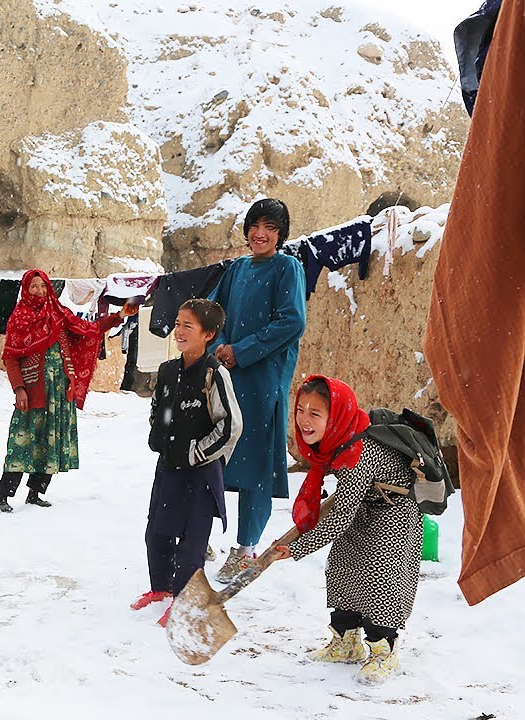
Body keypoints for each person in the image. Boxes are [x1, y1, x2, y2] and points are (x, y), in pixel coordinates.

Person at [272, 376, 421, 685]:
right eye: (300, 410)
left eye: (315, 413)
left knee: (380, 578)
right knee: (343, 568)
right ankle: (346, 643)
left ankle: (384, 651)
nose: (304, 420)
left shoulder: (356, 452)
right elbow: (345, 505)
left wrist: (297, 548)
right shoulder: (336, 441)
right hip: (365, 503)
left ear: (335, 416)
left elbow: (340, 517)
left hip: (394, 511)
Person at [209, 198, 307, 582]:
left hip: (263, 381)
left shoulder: (287, 268)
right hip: (228, 378)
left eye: (269, 227)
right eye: (255, 225)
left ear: (280, 234)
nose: (260, 233)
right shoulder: (236, 269)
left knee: (255, 465)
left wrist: (242, 350)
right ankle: (200, 534)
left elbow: (291, 321)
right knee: (211, 456)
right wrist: (219, 344)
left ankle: (245, 549)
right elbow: (212, 312)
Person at [132, 300, 241, 626]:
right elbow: (158, 408)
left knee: (192, 541)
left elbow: (231, 425)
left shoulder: (214, 375)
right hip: (168, 465)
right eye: (178, 324)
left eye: (187, 326)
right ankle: (161, 587)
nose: (179, 331)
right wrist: (159, 435)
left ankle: (183, 600)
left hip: (200, 472)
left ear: (208, 334)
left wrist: (196, 453)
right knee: (158, 530)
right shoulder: (168, 370)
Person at [0, 269, 136, 512]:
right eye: (34, 287)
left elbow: (90, 329)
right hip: (33, 391)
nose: (39, 291)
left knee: (51, 441)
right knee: (22, 442)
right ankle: (2, 497)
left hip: (60, 392)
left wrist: (120, 315)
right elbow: (11, 357)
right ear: (25, 290)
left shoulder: (59, 313)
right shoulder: (19, 318)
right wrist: (19, 389)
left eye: (43, 286)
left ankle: (35, 492)